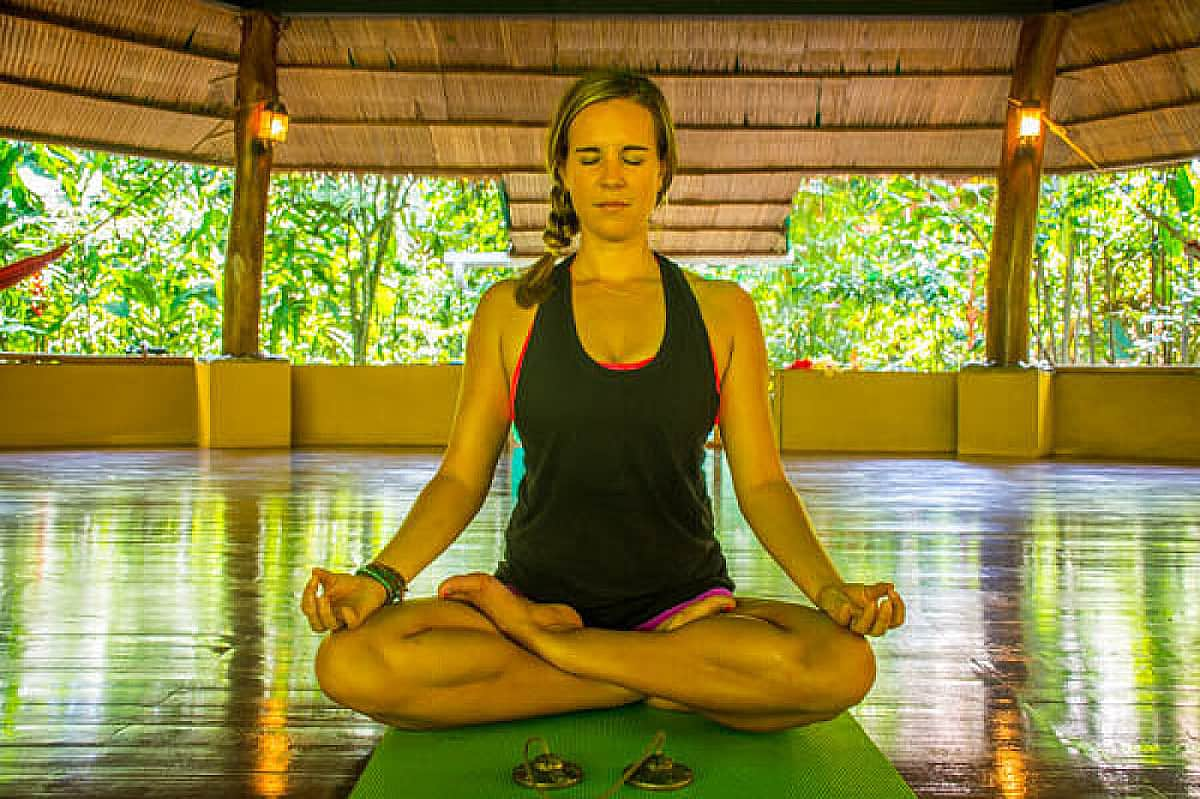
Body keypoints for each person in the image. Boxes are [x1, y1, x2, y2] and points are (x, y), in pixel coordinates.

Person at [301, 68, 905, 734]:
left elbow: (761, 483)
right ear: (563, 169)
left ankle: (564, 657)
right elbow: (460, 476)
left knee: (845, 664)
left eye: (632, 156)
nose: (612, 176)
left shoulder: (723, 312)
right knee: (351, 662)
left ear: (662, 169)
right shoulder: (511, 311)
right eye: (590, 157)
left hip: (686, 611)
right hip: (535, 597)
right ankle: (652, 681)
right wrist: (380, 578)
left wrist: (828, 588)